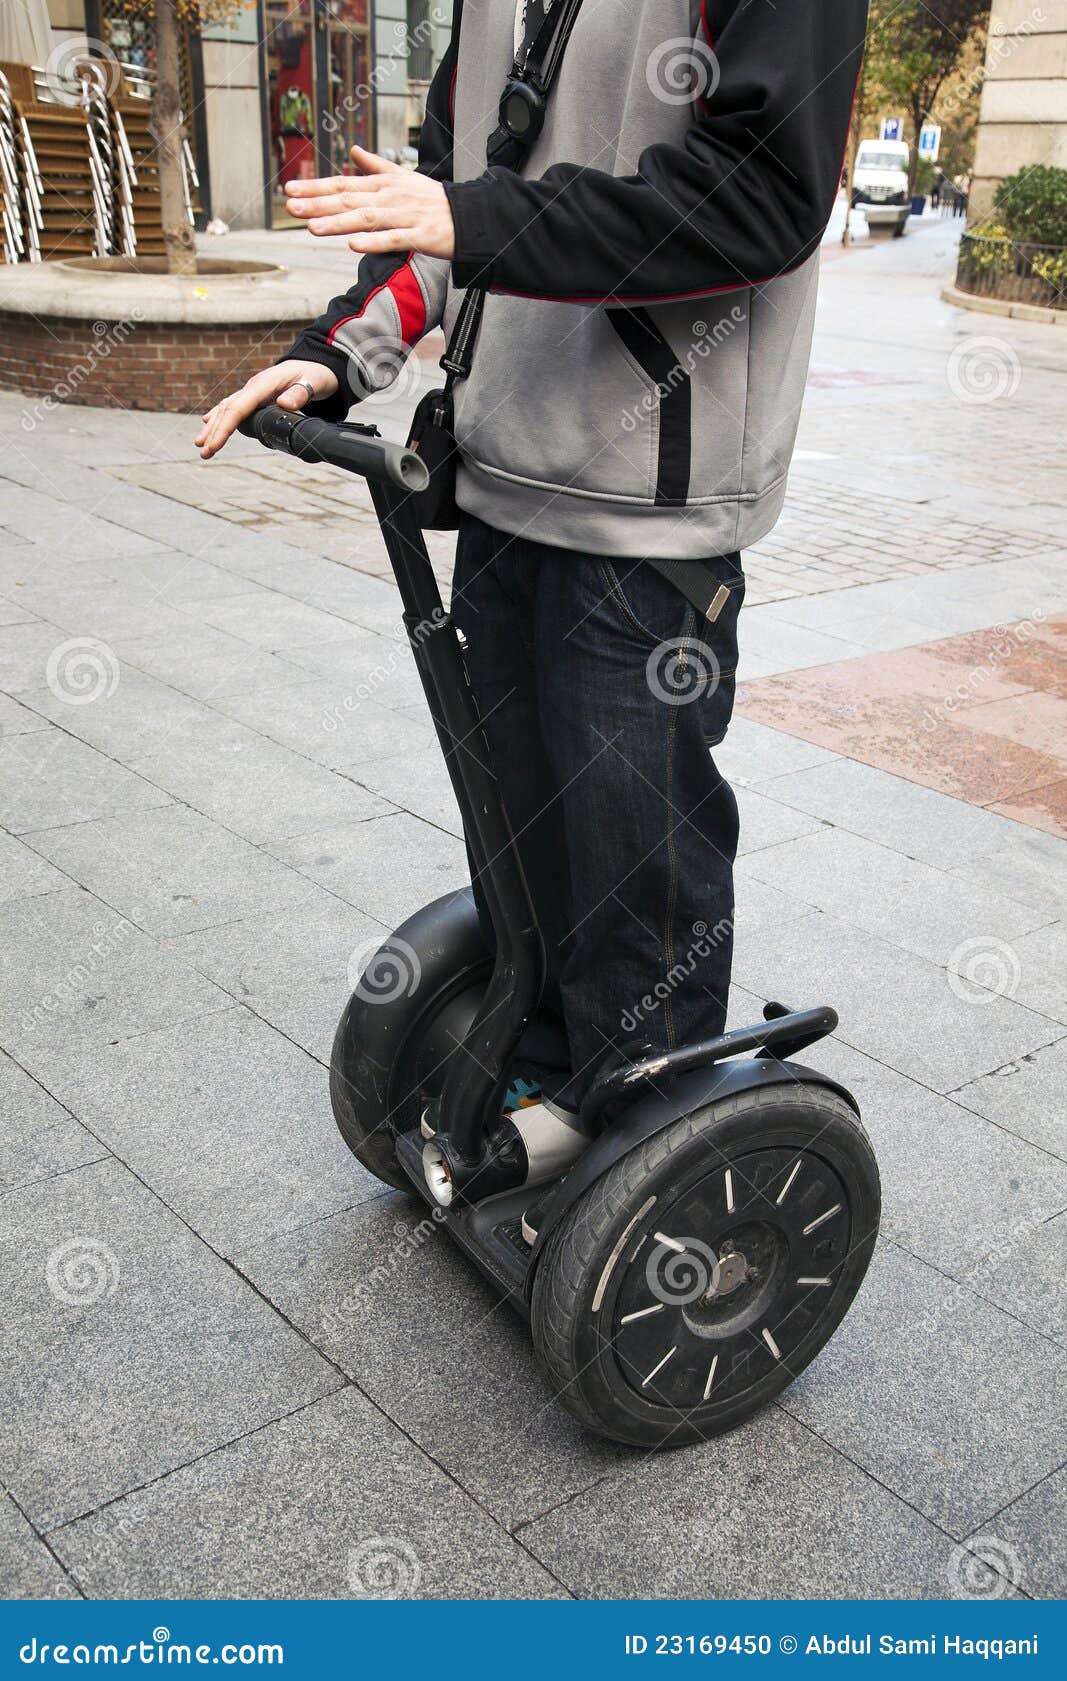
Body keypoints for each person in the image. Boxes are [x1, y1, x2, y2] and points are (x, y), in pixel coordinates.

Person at [197, 0, 869, 1118]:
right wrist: (338, 355)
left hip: (649, 515)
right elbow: (452, 192)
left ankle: (646, 1145)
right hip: (501, 474)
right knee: (520, 837)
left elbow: (759, 197)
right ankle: (543, 1076)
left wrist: (463, 214)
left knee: (634, 879)